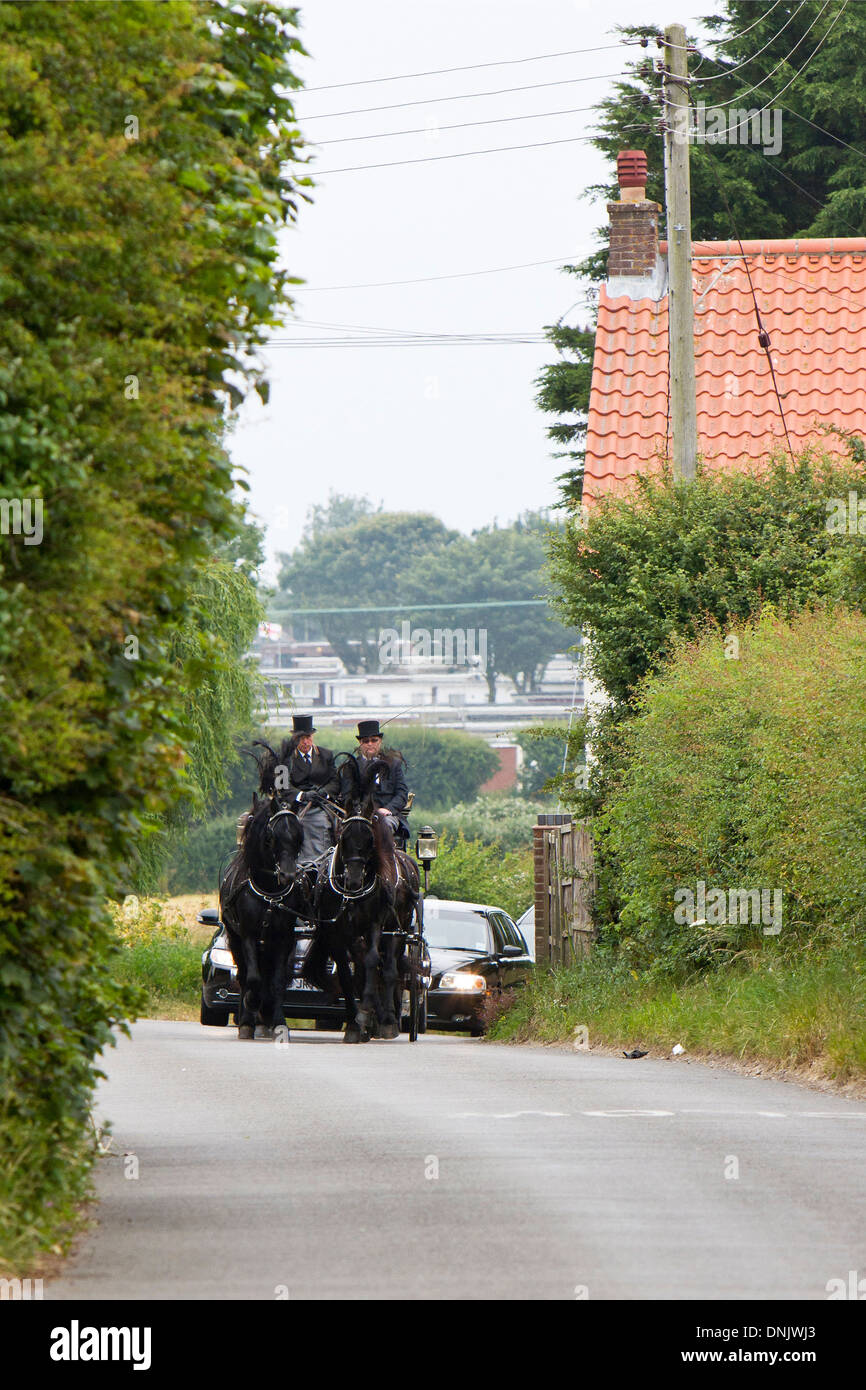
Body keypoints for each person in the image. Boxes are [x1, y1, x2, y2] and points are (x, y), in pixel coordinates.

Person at [284, 715, 340, 866]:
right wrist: (302, 795)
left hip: (322, 803)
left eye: (307, 737)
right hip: (297, 805)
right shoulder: (284, 758)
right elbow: (281, 786)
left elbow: (335, 781)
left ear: (312, 736)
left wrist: (324, 793)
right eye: (300, 738)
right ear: (294, 738)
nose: (305, 742)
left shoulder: (326, 755)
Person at [355, 719, 411, 850]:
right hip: (360, 815)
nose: (370, 744)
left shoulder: (393, 764)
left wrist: (388, 809)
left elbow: (402, 793)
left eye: (374, 740)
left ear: (379, 741)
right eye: (365, 741)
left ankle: (386, 863)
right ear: (360, 743)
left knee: (384, 825)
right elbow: (348, 795)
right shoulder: (352, 766)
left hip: (388, 815)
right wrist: (363, 811)